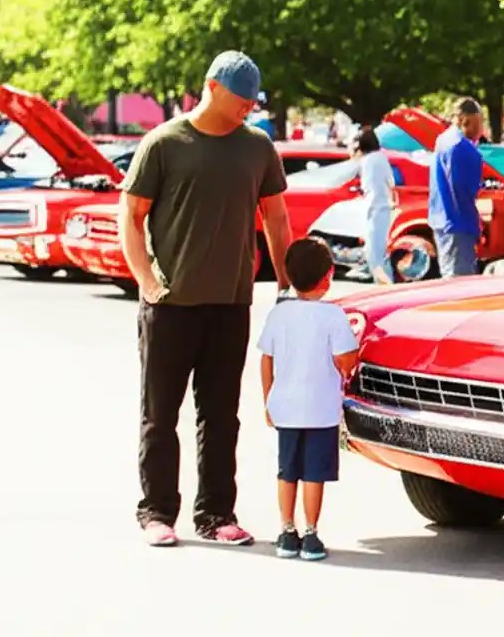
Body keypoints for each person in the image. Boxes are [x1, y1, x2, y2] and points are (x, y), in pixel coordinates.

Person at [120, 49, 293, 547]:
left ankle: (216, 514)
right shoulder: (165, 143)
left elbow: (276, 219)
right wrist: (147, 280)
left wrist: (287, 286)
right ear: (213, 88)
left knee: (221, 416)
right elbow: (129, 216)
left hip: (230, 304)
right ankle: (156, 513)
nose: (249, 108)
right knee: (160, 414)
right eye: (242, 99)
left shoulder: (257, 147)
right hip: (170, 306)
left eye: (254, 102)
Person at [257, 238, 359, 562]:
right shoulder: (334, 316)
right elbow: (346, 358)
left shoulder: (279, 314)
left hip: (285, 407)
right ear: (328, 276)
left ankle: (286, 531)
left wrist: (268, 399)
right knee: (314, 473)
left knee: (287, 470)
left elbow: (266, 359)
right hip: (321, 411)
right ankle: (311, 534)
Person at [428, 97, 485, 277]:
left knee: (449, 275)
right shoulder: (461, 147)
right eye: (478, 124)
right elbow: (468, 189)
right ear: (464, 120)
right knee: (459, 283)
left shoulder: (443, 140)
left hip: (442, 218)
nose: (479, 130)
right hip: (458, 222)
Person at [346, 127, 398, 284]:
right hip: (384, 208)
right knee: (379, 251)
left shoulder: (367, 161)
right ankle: (386, 283)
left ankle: (385, 286)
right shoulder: (381, 158)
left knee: (374, 254)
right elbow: (391, 182)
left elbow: (367, 187)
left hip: (375, 209)